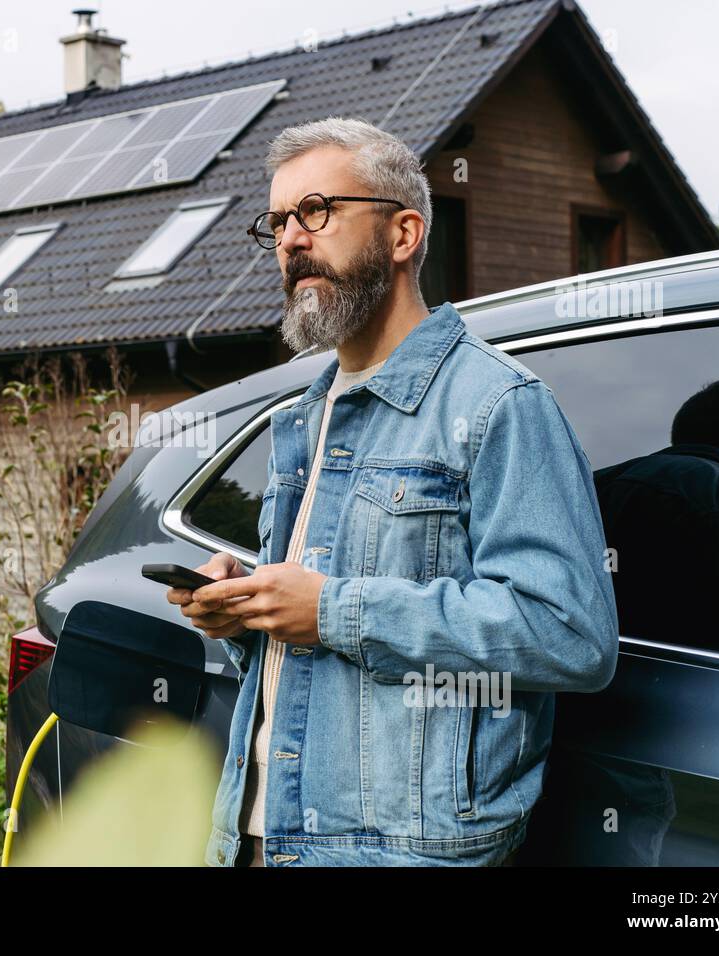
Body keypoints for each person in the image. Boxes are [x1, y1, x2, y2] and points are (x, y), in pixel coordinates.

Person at [165, 117, 619, 867]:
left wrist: (332, 610)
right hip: (258, 839)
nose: (290, 239)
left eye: (317, 212)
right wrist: (249, 609)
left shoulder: (499, 406)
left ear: (404, 233)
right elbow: (319, 638)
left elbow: (569, 633)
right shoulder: (306, 415)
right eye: (277, 222)